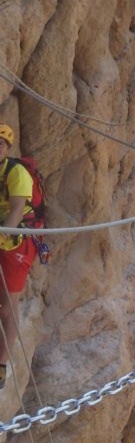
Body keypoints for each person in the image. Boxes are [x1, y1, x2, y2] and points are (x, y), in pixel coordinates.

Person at [0, 123, 37, 389]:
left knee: (8, 307)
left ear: (7, 148)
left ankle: (1, 364)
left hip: (15, 243)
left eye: (0, 144)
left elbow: (16, 210)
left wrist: (2, 238)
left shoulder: (16, 172)